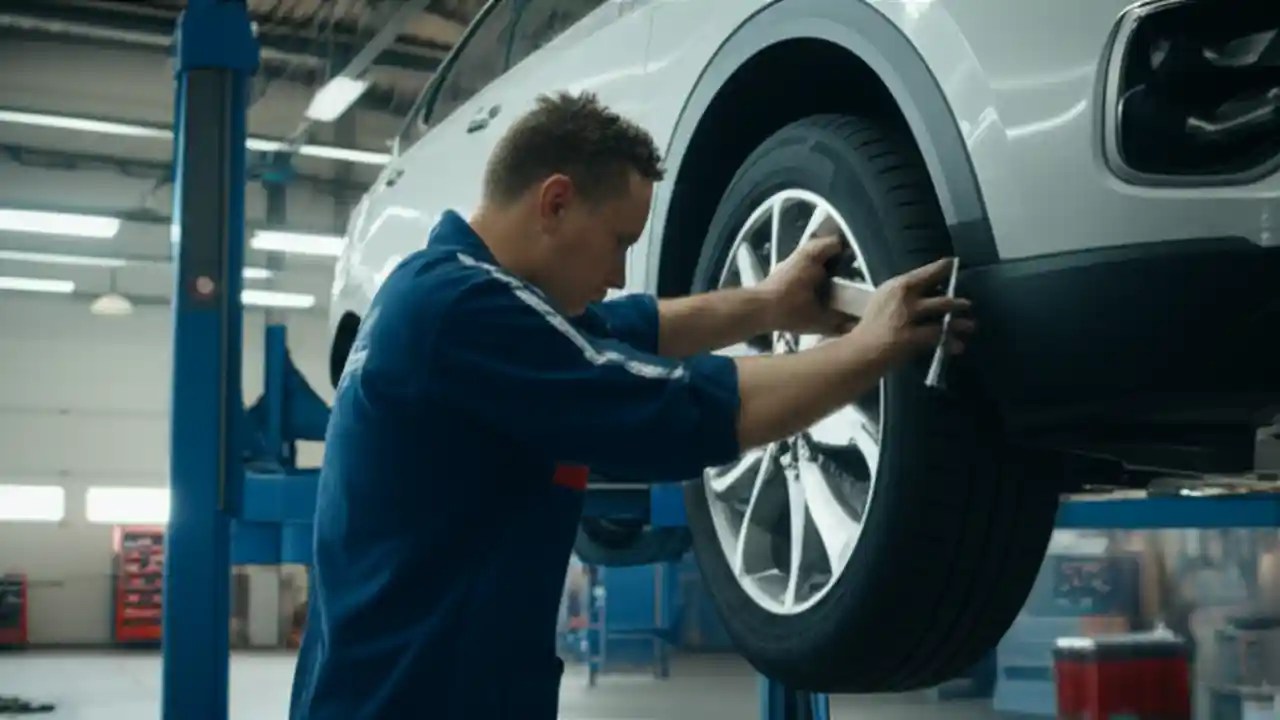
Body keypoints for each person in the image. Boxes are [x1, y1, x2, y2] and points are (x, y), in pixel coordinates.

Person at [288, 91, 973, 719]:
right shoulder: (460, 314)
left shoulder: (438, 293)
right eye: (620, 241)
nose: (619, 272)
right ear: (555, 203)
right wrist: (871, 350)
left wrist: (768, 303)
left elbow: (627, 329)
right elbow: (669, 405)